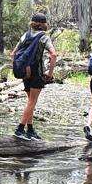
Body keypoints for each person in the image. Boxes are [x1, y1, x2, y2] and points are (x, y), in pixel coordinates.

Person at [12, 12, 57, 141]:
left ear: (32, 23)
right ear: (44, 24)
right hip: (36, 72)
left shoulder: (25, 35)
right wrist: (50, 72)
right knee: (32, 102)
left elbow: (13, 53)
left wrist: (19, 67)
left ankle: (30, 129)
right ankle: (20, 129)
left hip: (25, 72)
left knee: (30, 101)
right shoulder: (44, 37)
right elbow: (53, 54)